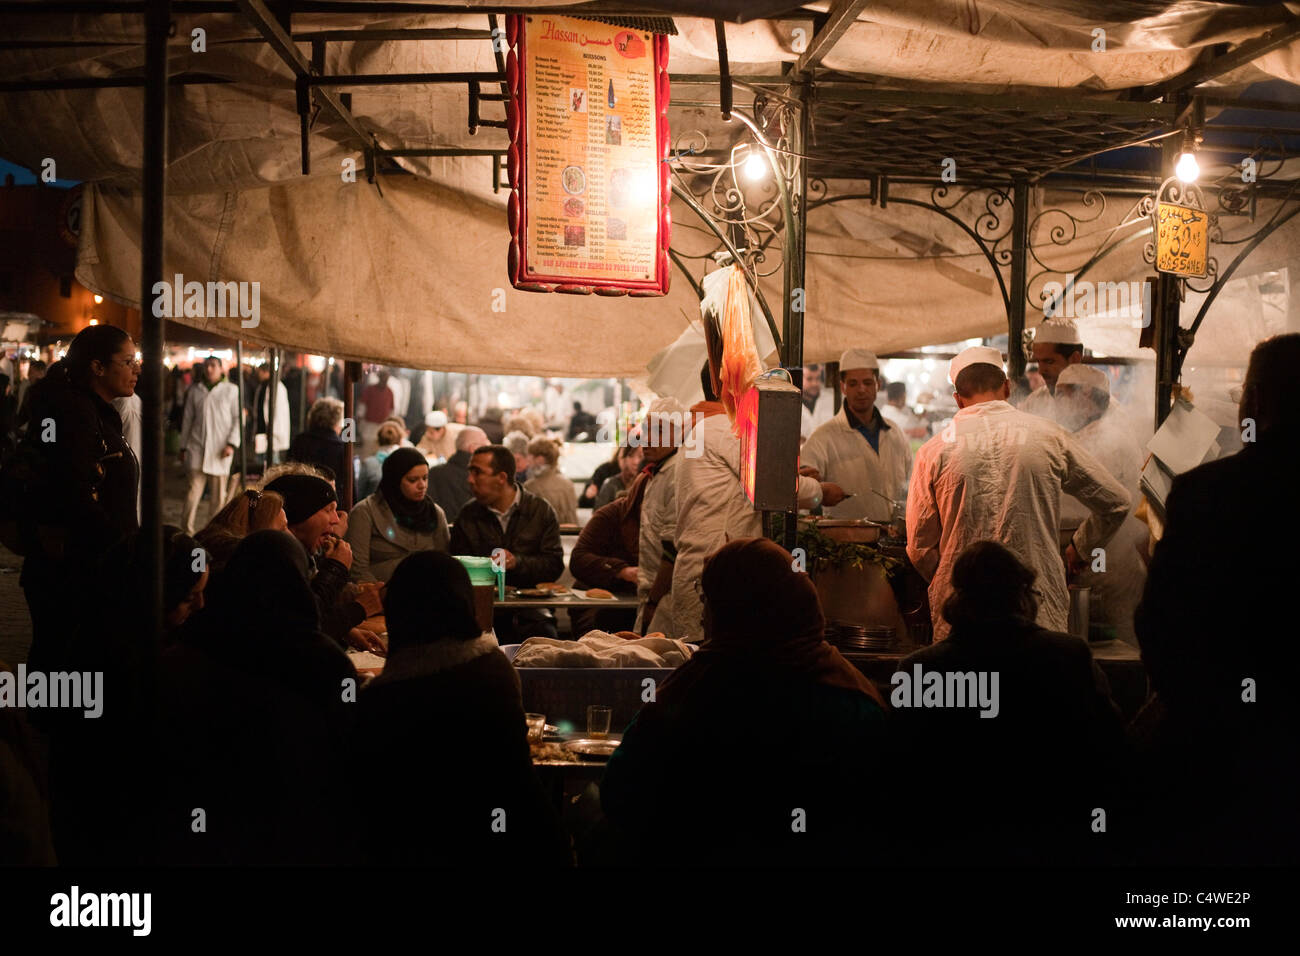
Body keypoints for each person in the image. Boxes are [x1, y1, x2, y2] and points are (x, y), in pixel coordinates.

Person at [601, 538, 886, 865]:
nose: (702, 618)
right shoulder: (853, 695)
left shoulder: (696, 691)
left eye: (707, 600)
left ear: (728, 610)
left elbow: (621, 792)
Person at [1133, 333, 1300, 865]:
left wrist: (1187, 703)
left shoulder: (1209, 492)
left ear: (1254, 402)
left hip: (1216, 746)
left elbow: (1160, 622)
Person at [892, 541, 1125, 865]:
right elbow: (1112, 750)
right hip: (1054, 843)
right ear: (1022, 596)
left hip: (949, 846)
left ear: (958, 600)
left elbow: (900, 776)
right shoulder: (1068, 656)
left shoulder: (919, 670)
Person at [153, 530, 358, 865]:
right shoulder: (323, 661)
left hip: (212, 826)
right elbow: (346, 746)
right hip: (298, 825)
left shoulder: (197, 642)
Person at [358, 551, 570, 866]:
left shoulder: (381, 701)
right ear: (464, 603)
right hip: (505, 846)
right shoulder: (493, 670)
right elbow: (518, 785)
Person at [905, 346, 1130, 642]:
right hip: (1037, 610)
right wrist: (1080, 546)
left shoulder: (933, 451)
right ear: (1008, 388)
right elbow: (1116, 502)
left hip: (963, 618)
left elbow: (920, 547)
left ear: (958, 399)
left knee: (974, 689)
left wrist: (955, 581)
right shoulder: (1049, 436)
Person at [673, 363, 841, 643]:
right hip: (718, 574)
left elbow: (751, 478)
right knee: (722, 668)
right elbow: (772, 483)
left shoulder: (702, 427)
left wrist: (793, 475)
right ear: (727, 386)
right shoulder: (725, 427)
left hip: (706, 569)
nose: (758, 389)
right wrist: (821, 491)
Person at [17, 326, 139, 678]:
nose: (136, 369)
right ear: (98, 367)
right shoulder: (73, 413)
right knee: (67, 658)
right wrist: (122, 546)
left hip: (87, 564)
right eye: (128, 361)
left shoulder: (97, 411)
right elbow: (73, 491)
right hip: (73, 569)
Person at [1053, 364, 1147, 645]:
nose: (1056, 402)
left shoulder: (1109, 440)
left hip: (1108, 568)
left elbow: (1112, 506)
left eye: (1063, 394)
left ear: (1086, 396)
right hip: (1089, 565)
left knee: (1120, 650)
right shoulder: (1086, 428)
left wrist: (1078, 546)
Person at [449, 444, 564, 643]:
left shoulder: (540, 510)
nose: (469, 480)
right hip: (481, 610)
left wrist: (517, 562)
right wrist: (485, 567)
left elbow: (554, 565)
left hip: (531, 612)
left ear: (502, 478)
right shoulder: (468, 516)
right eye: (470, 472)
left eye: (477, 473)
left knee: (546, 641)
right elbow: (457, 568)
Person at [265, 473, 385, 652]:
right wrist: (338, 570)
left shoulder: (301, 556)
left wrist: (345, 630)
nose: (337, 520)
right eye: (329, 510)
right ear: (298, 515)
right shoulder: (270, 561)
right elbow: (303, 629)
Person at [800, 349, 912, 522]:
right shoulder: (822, 438)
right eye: (853, 383)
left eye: (868, 382)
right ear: (843, 387)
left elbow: (909, 485)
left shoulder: (895, 432)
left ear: (878, 385)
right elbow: (802, 486)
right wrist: (818, 488)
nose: (861, 390)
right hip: (843, 543)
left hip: (893, 540)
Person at [344, 446, 449, 583]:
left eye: (425, 478)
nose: (422, 485)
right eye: (412, 480)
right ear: (394, 480)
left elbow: (445, 562)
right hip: (379, 595)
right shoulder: (365, 512)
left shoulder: (435, 513)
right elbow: (357, 570)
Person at [569, 474, 644, 635]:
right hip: (600, 603)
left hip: (640, 604)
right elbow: (578, 559)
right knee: (608, 621)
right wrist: (622, 571)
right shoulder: (611, 514)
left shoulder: (668, 520)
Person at [635, 397, 686, 636]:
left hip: (667, 597)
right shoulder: (656, 473)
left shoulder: (677, 473)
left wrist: (654, 601)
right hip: (649, 592)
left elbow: (672, 547)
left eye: (658, 431)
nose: (647, 439)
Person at [179, 356, 242, 535]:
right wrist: (183, 446)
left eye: (213, 366)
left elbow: (238, 419)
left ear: (221, 369)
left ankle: (212, 533)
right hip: (196, 446)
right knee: (192, 493)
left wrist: (231, 443)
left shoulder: (231, 390)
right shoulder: (195, 390)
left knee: (218, 498)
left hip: (220, 450)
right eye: (207, 366)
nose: (209, 369)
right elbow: (187, 420)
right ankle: (187, 531)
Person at [194, 487, 289, 574]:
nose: (289, 534)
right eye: (282, 529)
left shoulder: (204, 540)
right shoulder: (243, 561)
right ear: (258, 530)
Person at [1021, 319, 1084, 422]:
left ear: (1074, 359)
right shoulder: (1034, 402)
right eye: (1038, 362)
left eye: (1049, 361)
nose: (1041, 371)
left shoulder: (1099, 406)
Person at [288, 396, 348, 491]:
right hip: (331, 501)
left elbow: (288, 472)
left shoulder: (299, 441)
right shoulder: (341, 448)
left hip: (299, 497)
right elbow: (349, 485)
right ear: (335, 422)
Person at [427, 424, 485, 520]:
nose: (490, 444)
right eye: (486, 442)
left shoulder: (434, 473)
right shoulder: (480, 477)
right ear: (473, 448)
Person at [523, 435, 578, 526]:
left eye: (529, 456)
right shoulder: (568, 484)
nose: (527, 460)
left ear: (540, 459)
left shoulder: (531, 487)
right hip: (571, 535)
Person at [253, 363, 291, 470]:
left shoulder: (277, 387)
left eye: (259, 372)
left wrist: (274, 431)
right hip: (262, 432)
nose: (258, 374)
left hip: (272, 433)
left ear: (265, 372)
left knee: (272, 464)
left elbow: (279, 414)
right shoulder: (263, 386)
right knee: (262, 463)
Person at [357, 419, 405, 501]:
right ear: (401, 441)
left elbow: (359, 494)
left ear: (378, 440)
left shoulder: (368, 464)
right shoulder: (405, 463)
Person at [592, 442, 643, 509]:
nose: (635, 462)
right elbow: (598, 514)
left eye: (640, 456)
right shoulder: (611, 484)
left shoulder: (648, 482)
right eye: (630, 456)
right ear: (623, 458)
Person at [358, 369, 395, 456]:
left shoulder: (390, 392)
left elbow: (391, 410)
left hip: (382, 426)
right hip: (369, 425)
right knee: (367, 449)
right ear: (379, 378)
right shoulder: (370, 390)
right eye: (383, 378)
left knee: (379, 450)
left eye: (386, 378)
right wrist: (360, 418)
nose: (384, 380)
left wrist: (390, 424)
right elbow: (362, 406)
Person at [799, 362, 835, 440]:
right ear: (800, 378)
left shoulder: (831, 400)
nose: (814, 384)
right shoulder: (792, 403)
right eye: (809, 379)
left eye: (817, 378)